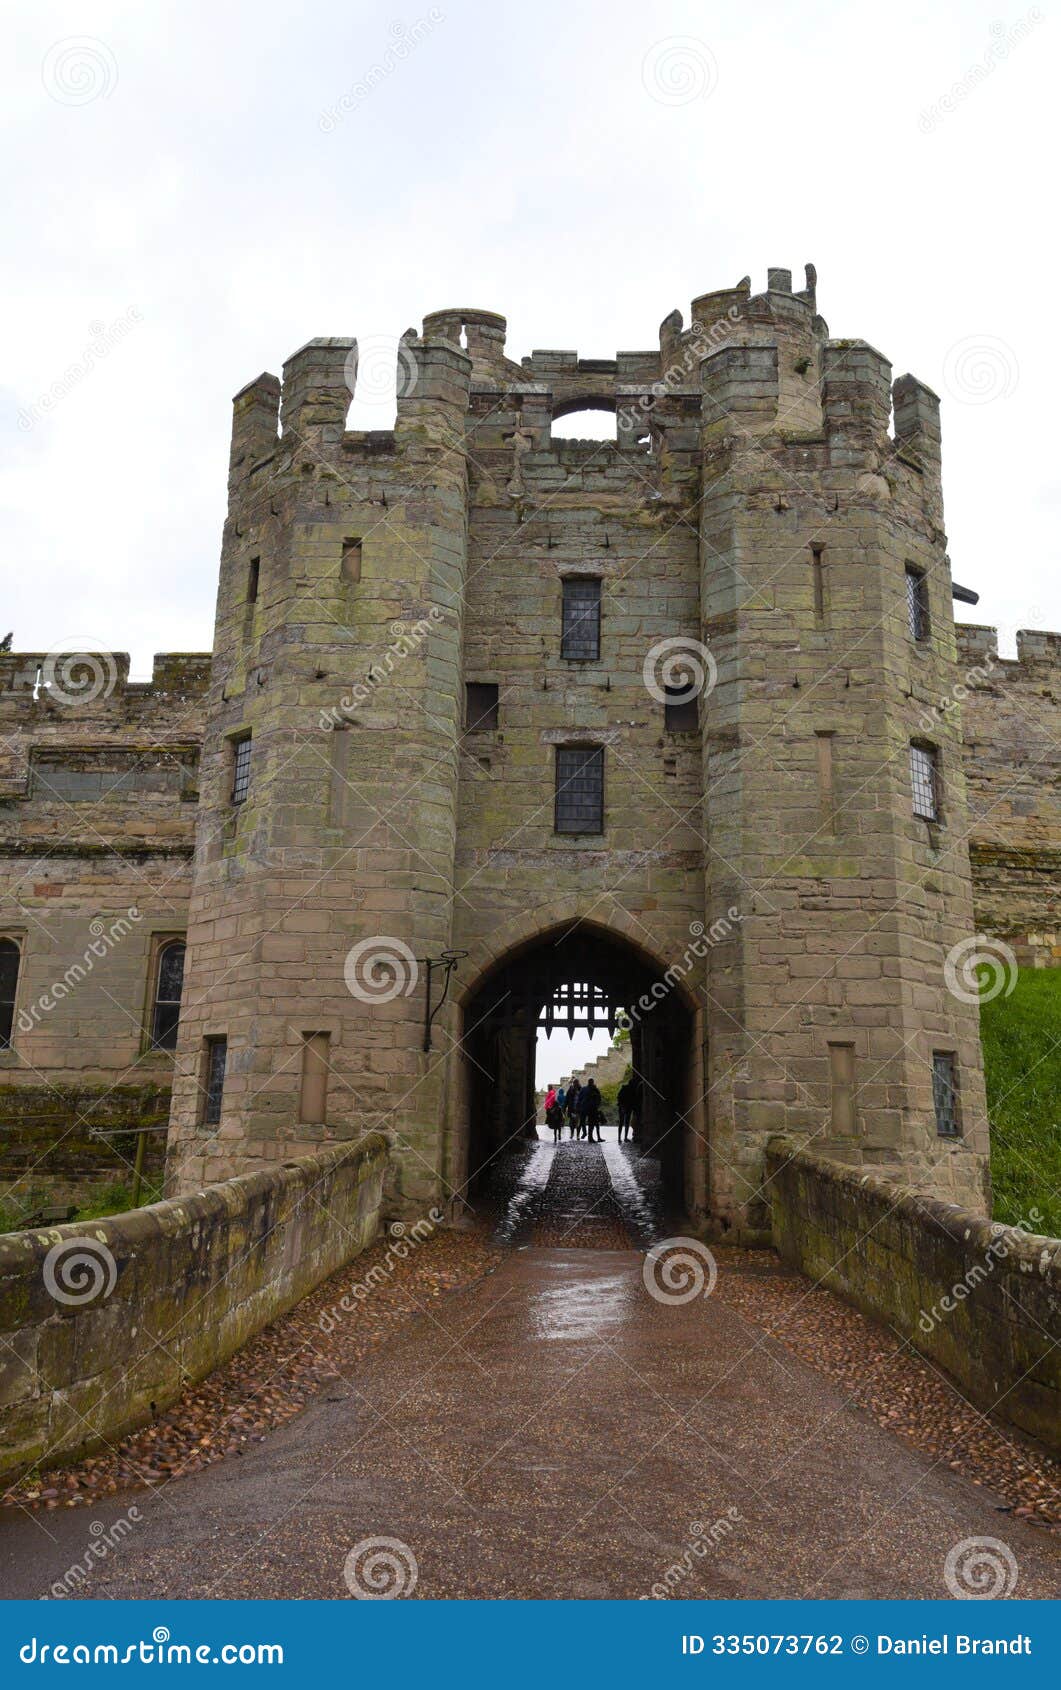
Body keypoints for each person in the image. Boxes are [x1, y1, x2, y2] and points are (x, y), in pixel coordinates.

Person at [617, 1077, 635, 1141]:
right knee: (626, 1122)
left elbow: (619, 1097)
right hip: (626, 1107)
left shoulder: (624, 1088)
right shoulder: (632, 1090)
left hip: (623, 1107)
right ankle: (624, 1137)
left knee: (622, 1122)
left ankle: (620, 1137)